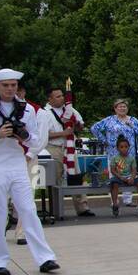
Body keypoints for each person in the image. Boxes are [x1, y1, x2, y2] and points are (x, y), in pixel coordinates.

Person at [0, 68, 60, 275]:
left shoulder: (27, 109)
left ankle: (45, 258)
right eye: (6, 85)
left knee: (29, 210)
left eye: (13, 85)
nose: (10, 89)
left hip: (18, 163)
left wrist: (25, 136)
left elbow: (37, 140)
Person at [38, 86, 94, 218]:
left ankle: (82, 207)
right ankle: (56, 210)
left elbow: (80, 125)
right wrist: (63, 133)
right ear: (49, 99)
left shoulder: (70, 109)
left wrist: (78, 126)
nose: (62, 98)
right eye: (57, 96)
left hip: (69, 147)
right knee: (55, 178)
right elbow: (43, 134)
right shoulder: (43, 113)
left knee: (76, 176)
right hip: (53, 148)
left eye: (62, 95)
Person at [90, 100, 138, 206]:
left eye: (124, 106)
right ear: (115, 108)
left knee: (129, 174)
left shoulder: (133, 120)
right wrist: (104, 140)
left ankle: (128, 200)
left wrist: (132, 126)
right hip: (114, 153)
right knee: (114, 175)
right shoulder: (109, 120)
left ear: (127, 108)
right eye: (119, 106)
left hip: (129, 154)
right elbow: (94, 128)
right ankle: (114, 201)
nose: (122, 108)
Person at [107, 135, 138, 215]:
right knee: (114, 184)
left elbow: (134, 170)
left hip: (129, 176)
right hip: (119, 177)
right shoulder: (114, 158)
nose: (124, 149)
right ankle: (115, 204)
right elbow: (113, 170)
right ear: (118, 148)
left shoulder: (131, 158)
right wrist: (121, 177)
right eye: (121, 147)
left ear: (129, 147)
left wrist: (132, 177)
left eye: (126, 147)